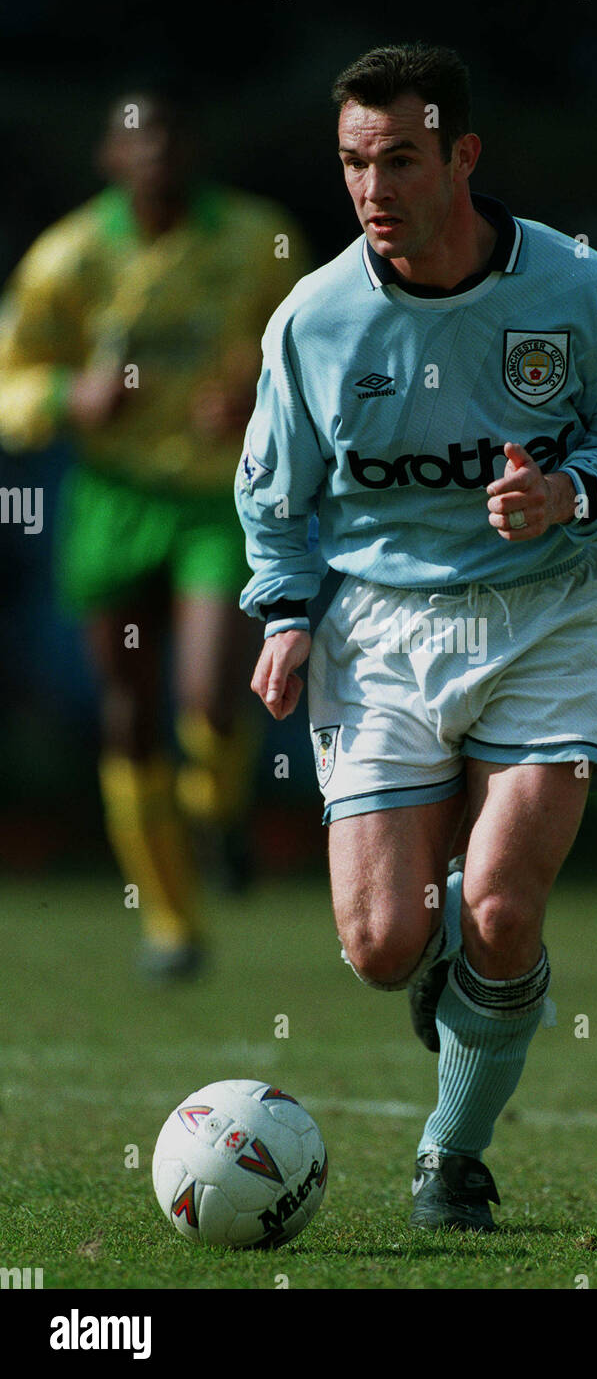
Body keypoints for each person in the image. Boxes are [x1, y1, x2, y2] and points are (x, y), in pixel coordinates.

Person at [236, 42, 597, 1231]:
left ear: (462, 157)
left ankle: (454, 1153)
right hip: (379, 635)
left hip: (547, 614)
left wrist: (568, 495)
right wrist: (285, 616)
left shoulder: (579, 291)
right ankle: (452, 971)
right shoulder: (315, 319)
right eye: (351, 163)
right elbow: (275, 497)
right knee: (386, 947)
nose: (372, 189)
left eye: (399, 160)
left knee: (496, 905)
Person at [0, 92, 312, 977]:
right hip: (114, 498)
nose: (158, 151)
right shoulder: (68, 257)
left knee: (212, 690)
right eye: (139, 136)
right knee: (129, 714)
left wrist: (266, 398)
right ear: (108, 154)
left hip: (221, 497)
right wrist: (68, 399)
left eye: (174, 133)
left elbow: (324, 344)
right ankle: (173, 924)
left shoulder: (260, 240)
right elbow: (10, 377)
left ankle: (217, 809)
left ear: (196, 147)